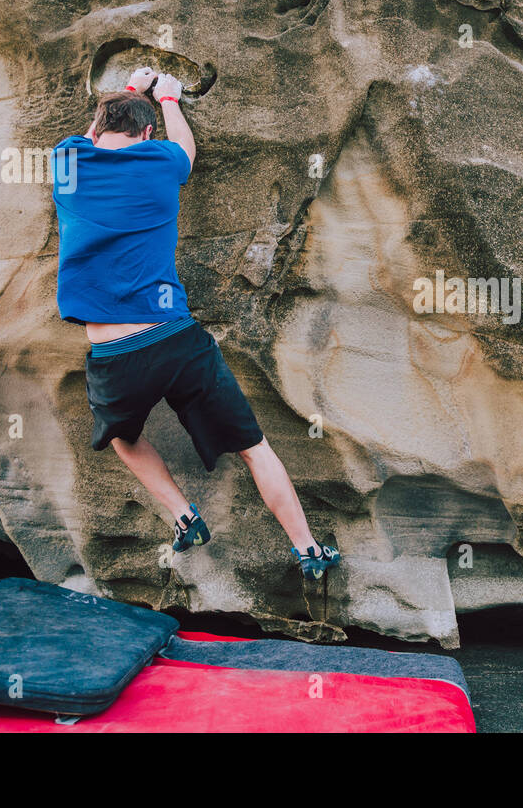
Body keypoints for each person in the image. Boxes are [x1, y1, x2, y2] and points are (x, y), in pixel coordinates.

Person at [50, 67, 340, 579]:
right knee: (255, 448)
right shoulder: (160, 162)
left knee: (120, 434)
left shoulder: (69, 162)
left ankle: (185, 517)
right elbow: (185, 148)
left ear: (97, 131)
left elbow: (97, 128)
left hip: (115, 354)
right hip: (176, 339)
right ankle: (308, 549)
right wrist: (167, 99)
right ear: (146, 135)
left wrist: (133, 91)